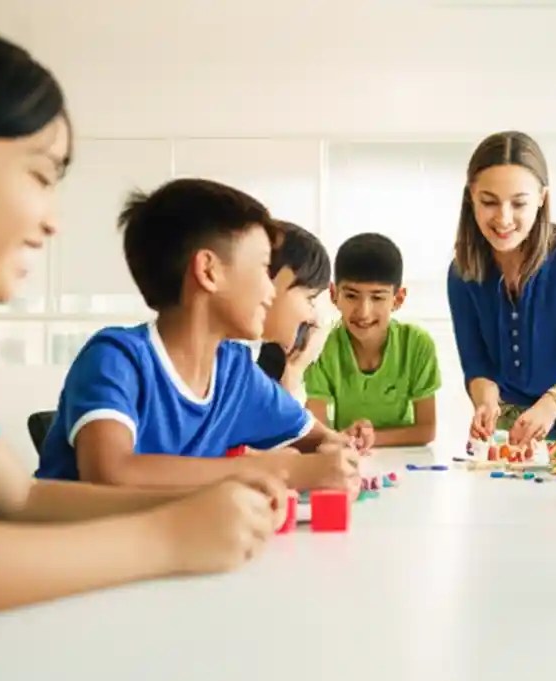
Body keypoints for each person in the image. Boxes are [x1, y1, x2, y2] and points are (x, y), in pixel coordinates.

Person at [0, 7, 284, 652]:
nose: (52, 222)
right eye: (40, 175)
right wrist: (165, 539)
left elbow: (15, 498)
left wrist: (199, 507)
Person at [35, 179, 363, 489]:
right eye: (265, 268)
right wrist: (284, 469)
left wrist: (338, 450)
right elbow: (111, 472)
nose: (270, 290)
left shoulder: (235, 371)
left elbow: (319, 440)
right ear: (208, 271)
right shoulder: (116, 358)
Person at [447, 131, 556, 446]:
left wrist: (552, 402)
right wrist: (486, 400)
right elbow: (477, 365)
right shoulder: (463, 272)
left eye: (519, 203)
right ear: (470, 197)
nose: (503, 218)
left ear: (541, 199)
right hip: (514, 418)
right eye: (488, 202)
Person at [305, 233, 441, 447]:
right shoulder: (320, 345)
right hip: (349, 457)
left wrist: (370, 438)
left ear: (398, 299)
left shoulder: (417, 344)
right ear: (334, 295)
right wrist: (345, 439)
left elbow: (427, 429)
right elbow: (316, 427)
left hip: (404, 462)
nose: (364, 312)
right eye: (351, 296)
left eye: (377, 297)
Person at [251, 220, 331, 405]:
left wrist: (293, 369)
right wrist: (294, 373)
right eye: (309, 298)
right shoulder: (229, 361)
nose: (314, 318)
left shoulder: (262, 358)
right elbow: (276, 432)